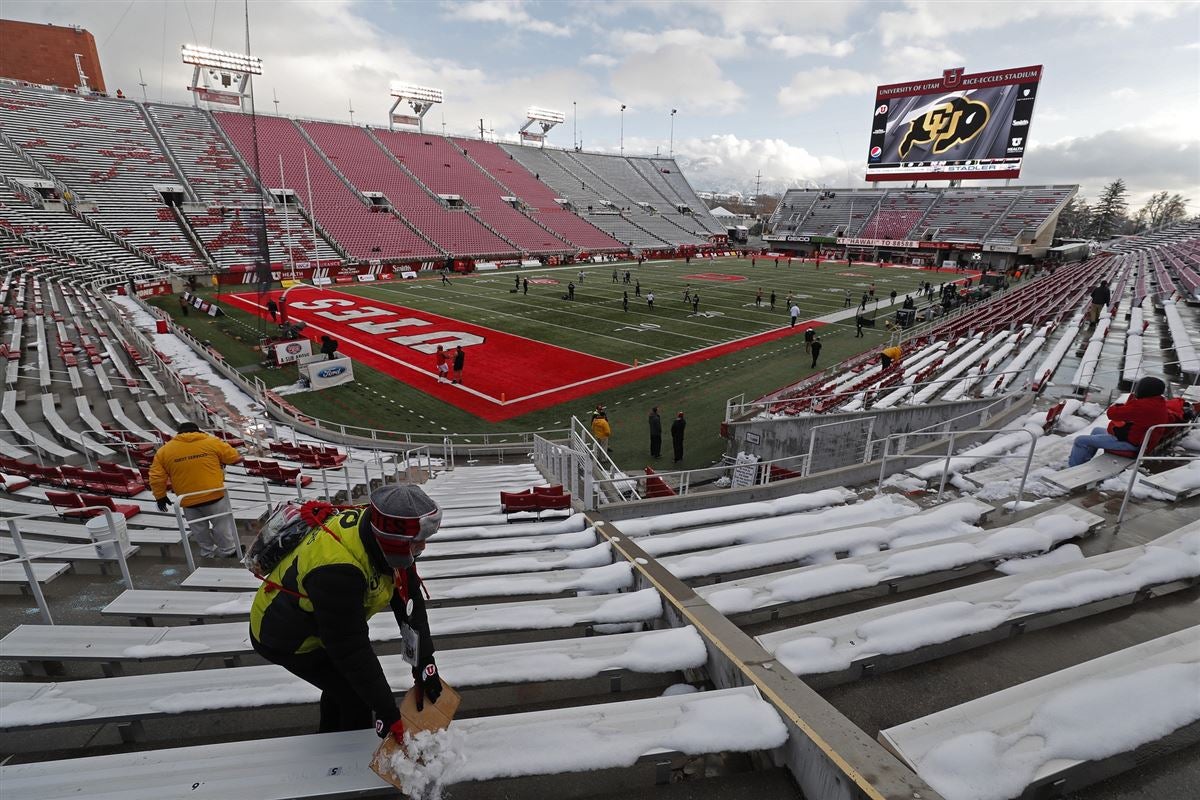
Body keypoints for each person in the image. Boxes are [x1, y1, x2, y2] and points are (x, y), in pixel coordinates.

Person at [249, 485, 444, 736]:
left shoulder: (383, 533)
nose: (423, 548)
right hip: (283, 635)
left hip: (319, 621)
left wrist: (425, 663)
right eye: (416, 542)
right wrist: (387, 712)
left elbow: (409, 599)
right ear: (393, 540)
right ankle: (347, 763)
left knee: (341, 688)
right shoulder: (337, 570)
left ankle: (329, 738)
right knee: (355, 696)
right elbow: (350, 649)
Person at [150, 422, 242, 559]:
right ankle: (228, 550)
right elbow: (233, 457)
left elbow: (156, 476)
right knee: (221, 525)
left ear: (178, 433)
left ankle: (207, 553)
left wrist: (160, 496)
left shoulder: (165, 450)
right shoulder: (212, 441)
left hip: (187, 499)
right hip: (214, 494)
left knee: (198, 529)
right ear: (198, 431)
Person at [1068, 377, 1171, 467]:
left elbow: (1112, 413)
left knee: (1081, 440)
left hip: (1132, 445)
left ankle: (1073, 469)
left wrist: (1132, 400)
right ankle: (1083, 461)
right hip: (1141, 442)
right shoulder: (1159, 402)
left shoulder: (1143, 405)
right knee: (1096, 430)